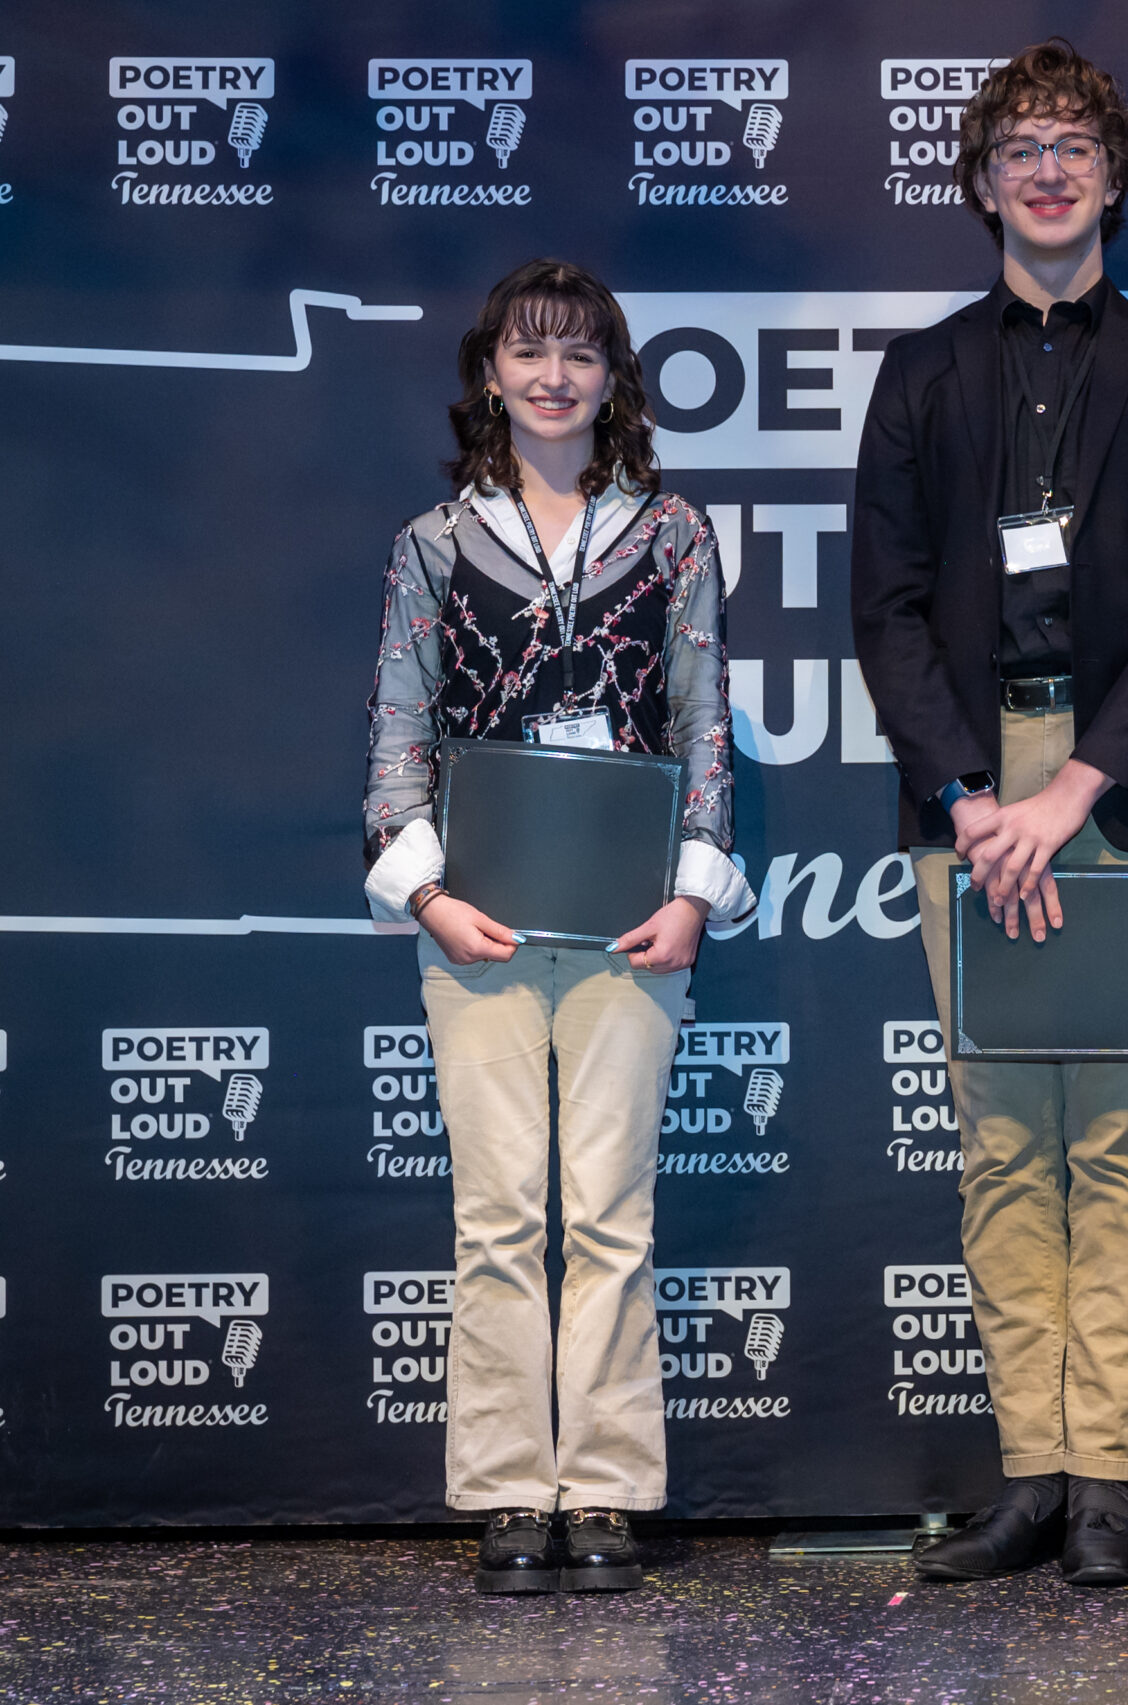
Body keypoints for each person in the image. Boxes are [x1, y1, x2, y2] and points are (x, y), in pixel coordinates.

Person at [849, 40, 1128, 1587]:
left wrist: (1075, 785)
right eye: (1019, 144)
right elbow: (885, 608)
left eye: (1075, 141)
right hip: (970, 793)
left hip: (1123, 789)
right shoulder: (922, 373)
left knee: (1124, 1147)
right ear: (980, 181)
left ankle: (1109, 1483)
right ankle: (1030, 1472)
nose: (1048, 166)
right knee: (1007, 1146)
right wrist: (969, 797)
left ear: (1115, 176)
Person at [360, 259, 754, 1594]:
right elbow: (398, 730)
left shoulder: (674, 535)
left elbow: (703, 719)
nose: (553, 375)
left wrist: (693, 890)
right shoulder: (432, 542)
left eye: (580, 353)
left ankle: (606, 1490)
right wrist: (427, 895)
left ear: (613, 379)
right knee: (495, 1217)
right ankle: (508, 1491)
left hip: (632, 925)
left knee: (610, 1217)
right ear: (490, 375)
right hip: (474, 920)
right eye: (528, 351)